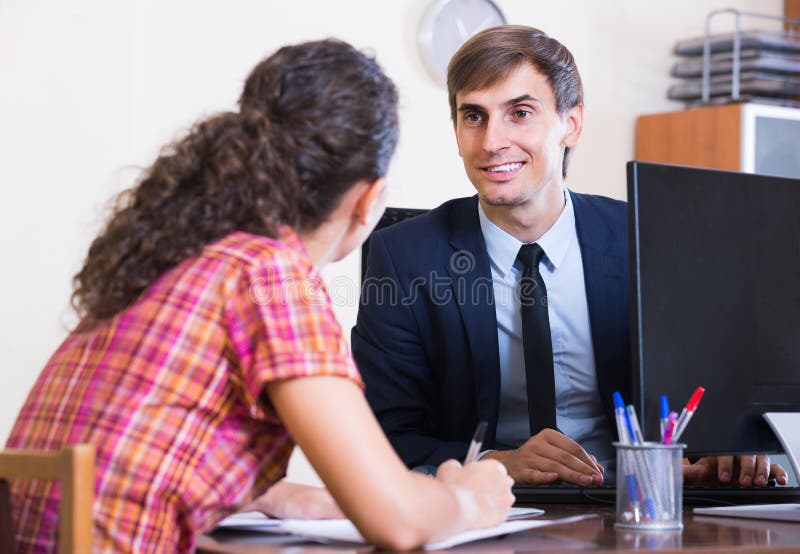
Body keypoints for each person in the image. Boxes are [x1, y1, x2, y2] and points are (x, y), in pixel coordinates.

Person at [6, 39, 514, 553]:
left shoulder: (172, 258)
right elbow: (400, 524)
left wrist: (275, 494)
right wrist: (466, 498)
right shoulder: (274, 274)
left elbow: (134, 444)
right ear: (367, 200)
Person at [352, 25, 787, 489]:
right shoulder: (404, 257)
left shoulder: (648, 239)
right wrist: (498, 463)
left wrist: (718, 451)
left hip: (634, 505)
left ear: (572, 124)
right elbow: (382, 437)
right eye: (473, 116)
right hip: (488, 513)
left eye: (520, 113)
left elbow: (710, 399)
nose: (491, 141)